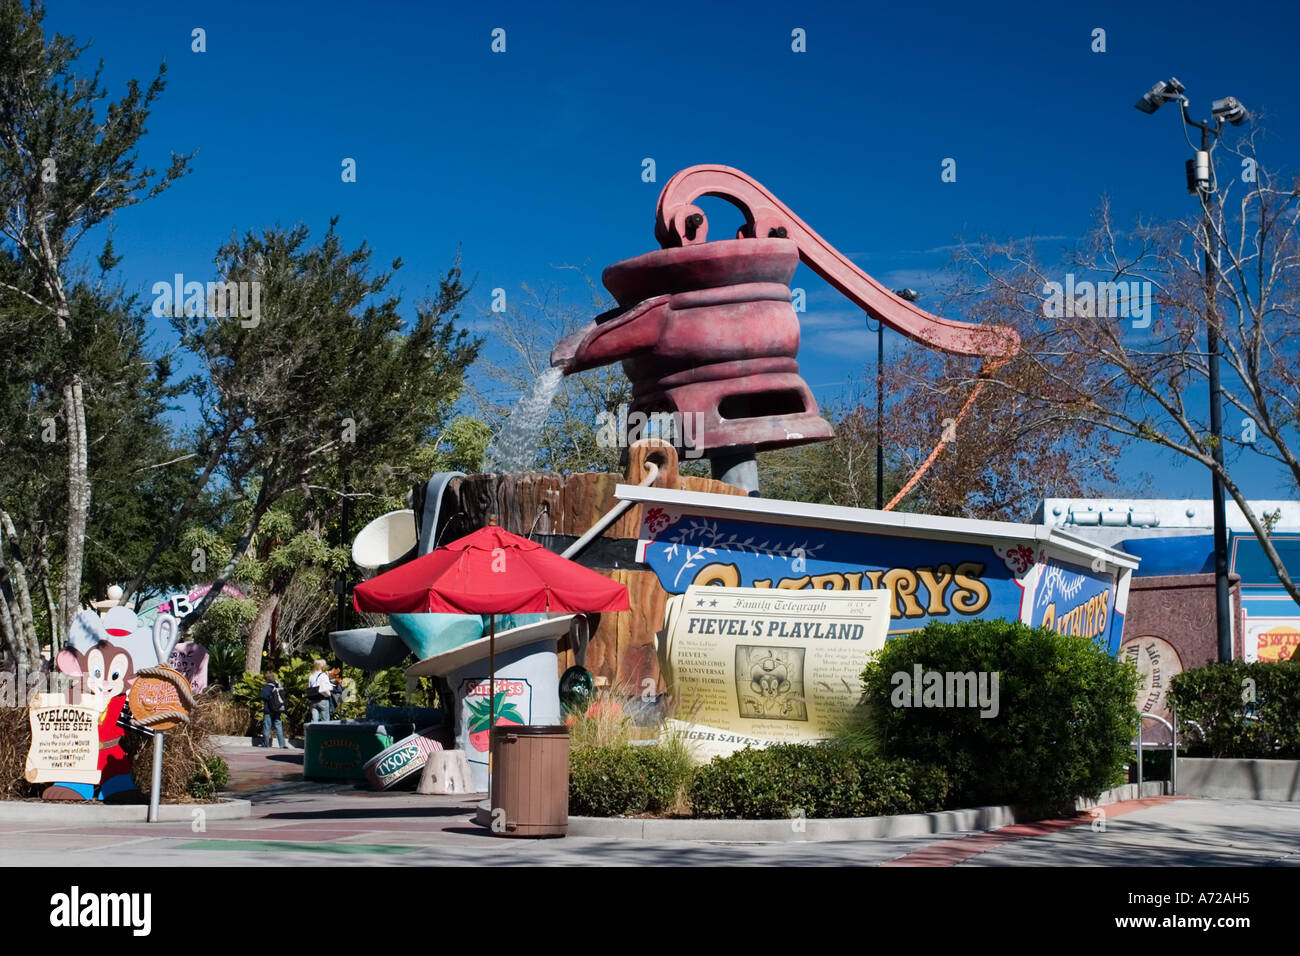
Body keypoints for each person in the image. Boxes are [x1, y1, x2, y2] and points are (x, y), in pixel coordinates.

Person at [260, 670, 289, 748]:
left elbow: (264, 696)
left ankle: (266, 744)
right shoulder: (278, 685)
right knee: (278, 727)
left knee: (267, 727)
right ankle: (282, 745)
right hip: (277, 709)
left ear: (266, 679)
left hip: (268, 710)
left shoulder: (267, 687)